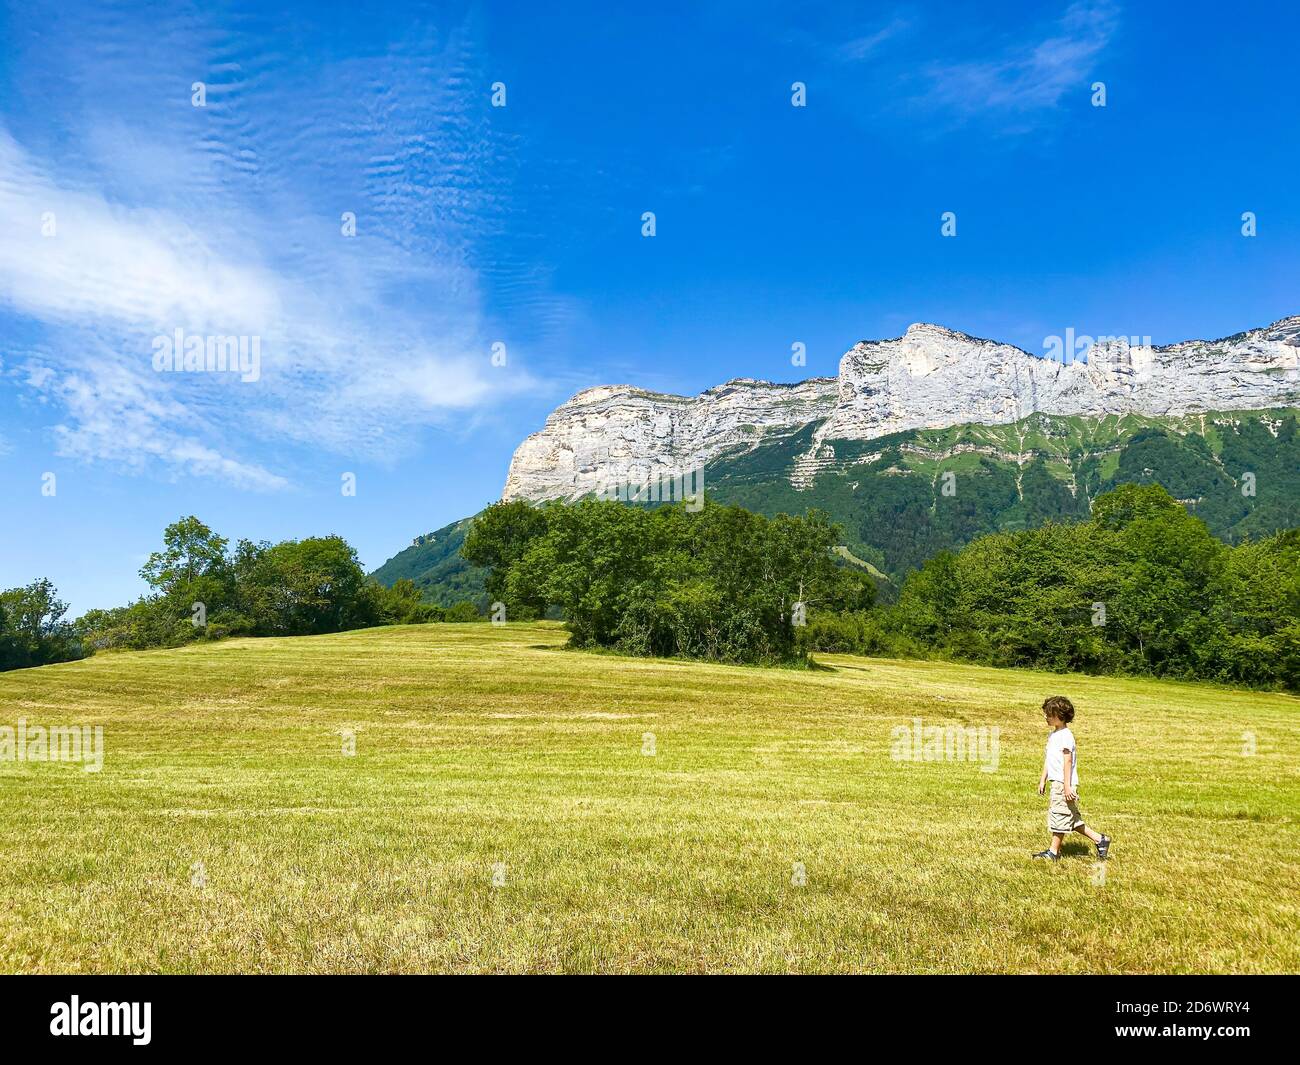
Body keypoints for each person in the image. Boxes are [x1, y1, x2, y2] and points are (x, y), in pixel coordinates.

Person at [1032, 695, 1111, 862]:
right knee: (1072, 819)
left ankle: (1053, 851)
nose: (1046, 717)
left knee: (1060, 816)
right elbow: (1049, 759)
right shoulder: (1053, 735)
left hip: (1063, 783)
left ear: (1060, 716)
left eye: (1049, 715)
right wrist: (1042, 779)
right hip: (1057, 782)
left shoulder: (1066, 735)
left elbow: (1067, 761)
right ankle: (1100, 840)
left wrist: (1067, 786)